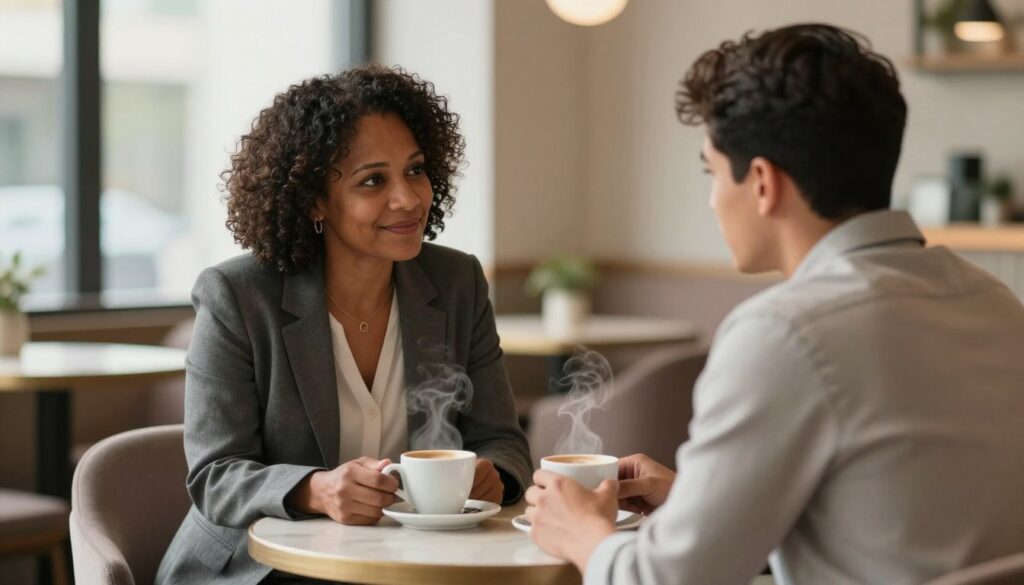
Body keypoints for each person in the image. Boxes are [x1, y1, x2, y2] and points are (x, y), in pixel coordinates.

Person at [525, 23, 1024, 585]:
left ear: (762, 183)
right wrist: (699, 500)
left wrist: (581, 534)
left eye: (712, 172)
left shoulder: (784, 333)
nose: (714, 200)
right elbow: (892, 524)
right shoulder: (997, 304)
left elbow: (662, 581)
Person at [155, 64, 532, 585]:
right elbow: (216, 475)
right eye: (373, 180)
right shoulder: (237, 295)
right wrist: (317, 489)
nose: (408, 198)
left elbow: (503, 442)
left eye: (416, 170)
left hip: (412, 564)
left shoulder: (458, 280)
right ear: (314, 199)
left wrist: (496, 477)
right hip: (262, 570)